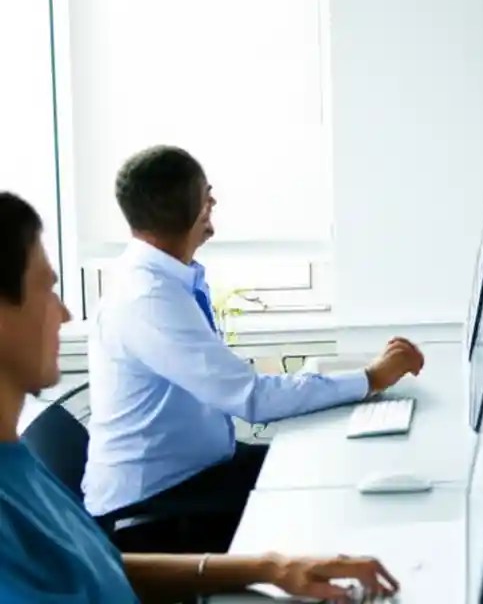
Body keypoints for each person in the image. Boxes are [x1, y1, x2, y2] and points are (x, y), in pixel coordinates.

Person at [0, 191, 399, 602]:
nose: (64, 314)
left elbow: (96, 565)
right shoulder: (146, 296)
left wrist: (273, 568)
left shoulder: (18, 465)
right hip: (167, 499)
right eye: (46, 288)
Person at [83, 146, 425, 553]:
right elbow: (252, 398)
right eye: (205, 193)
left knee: (317, 465)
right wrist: (370, 379)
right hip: (154, 507)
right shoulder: (148, 298)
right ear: (188, 208)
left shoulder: (162, 278)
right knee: (319, 503)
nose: (212, 201)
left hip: (194, 473)